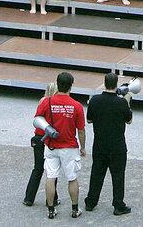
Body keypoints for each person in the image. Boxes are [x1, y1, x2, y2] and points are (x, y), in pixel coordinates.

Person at [23, 72, 86, 219]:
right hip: (69, 147)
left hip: (51, 146)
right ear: (71, 86)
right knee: (72, 178)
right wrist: (82, 147)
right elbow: (81, 130)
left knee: (50, 177)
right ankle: (75, 209)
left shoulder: (47, 102)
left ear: (57, 84)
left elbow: (37, 119)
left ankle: (51, 210)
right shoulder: (76, 106)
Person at [83, 72, 134, 216]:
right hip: (117, 146)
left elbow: (90, 120)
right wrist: (128, 101)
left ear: (104, 83)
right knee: (118, 175)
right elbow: (129, 120)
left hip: (100, 144)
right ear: (116, 84)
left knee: (97, 173)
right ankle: (118, 205)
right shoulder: (121, 102)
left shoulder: (95, 100)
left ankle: (91, 202)